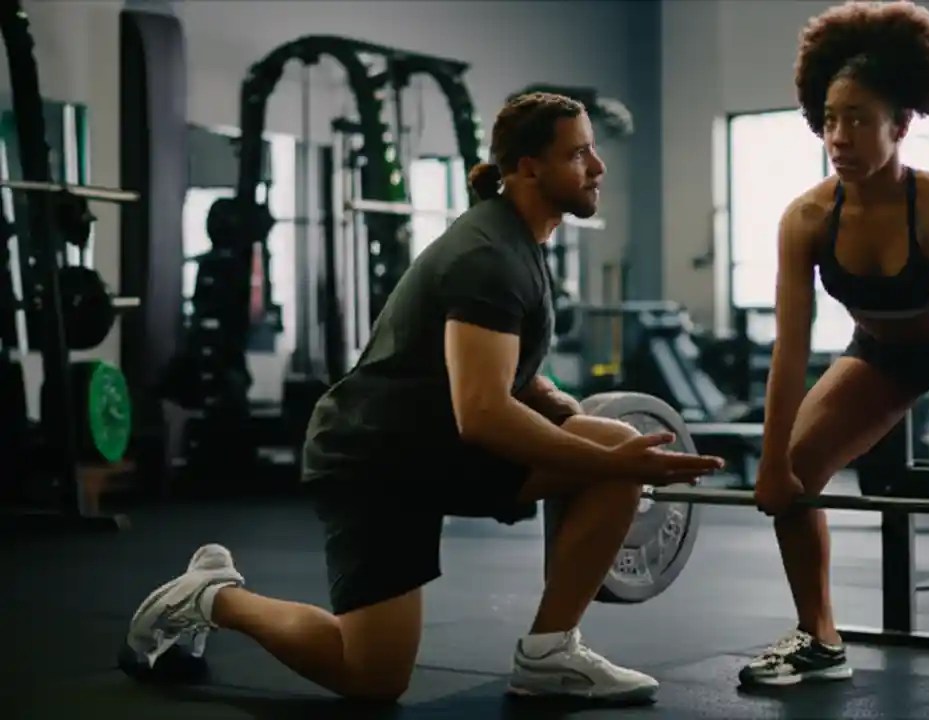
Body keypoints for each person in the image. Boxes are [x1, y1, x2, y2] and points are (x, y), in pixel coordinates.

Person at [123, 92, 724, 705]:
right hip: (375, 460)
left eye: (593, 150)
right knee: (372, 678)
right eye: (578, 154)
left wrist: (575, 420)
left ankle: (550, 653)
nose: (597, 167)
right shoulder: (488, 257)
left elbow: (514, 376)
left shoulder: (522, 244)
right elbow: (485, 413)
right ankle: (212, 596)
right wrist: (612, 464)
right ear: (528, 168)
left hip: (438, 445)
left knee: (615, 442)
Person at [736, 0, 929, 708]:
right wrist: (773, 461)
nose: (839, 135)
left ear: (901, 124)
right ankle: (820, 639)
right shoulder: (806, 218)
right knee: (801, 473)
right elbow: (789, 351)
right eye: (830, 118)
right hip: (880, 352)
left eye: (859, 118)